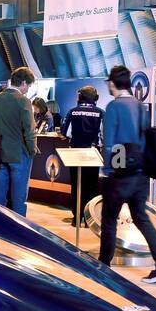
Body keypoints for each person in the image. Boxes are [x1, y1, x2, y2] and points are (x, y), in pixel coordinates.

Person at [98, 65, 156, 284]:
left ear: (112, 83)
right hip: (141, 173)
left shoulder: (113, 107)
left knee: (109, 218)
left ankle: (103, 266)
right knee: (141, 217)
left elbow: (109, 143)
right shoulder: (140, 106)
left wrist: (108, 170)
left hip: (121, 174)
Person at [0, 67, 37, 214]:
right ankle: (19, 231)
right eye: (28, 86)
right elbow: (29, 130)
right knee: (18, 198)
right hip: (19, 155)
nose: (28, 89)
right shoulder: (23, 101)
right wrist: (32, 150)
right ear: (23, 83)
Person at [61, 85, 103, 225]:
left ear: (80, 97)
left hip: (75, 154)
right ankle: (90, 218)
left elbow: (64, 133)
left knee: (77, 184)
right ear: (95, 98)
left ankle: (77, 218)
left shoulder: (72, 112)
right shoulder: (101, 113)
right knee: (92, 185)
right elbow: (104, 136)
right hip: (93, 154)